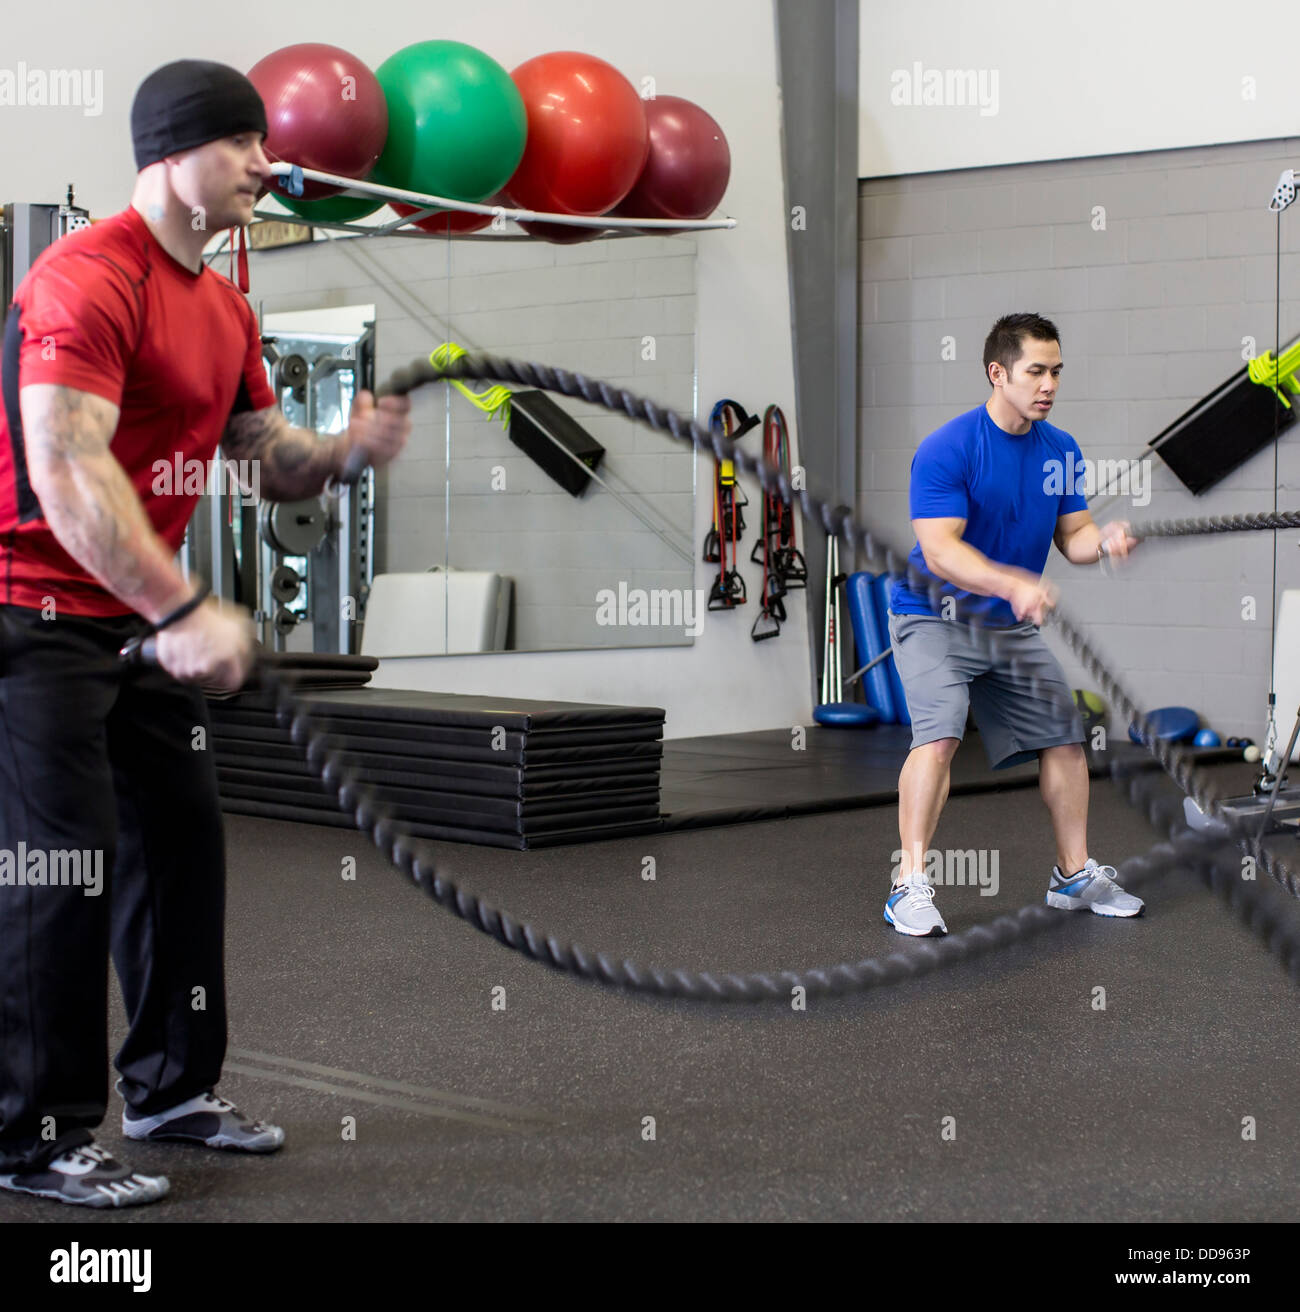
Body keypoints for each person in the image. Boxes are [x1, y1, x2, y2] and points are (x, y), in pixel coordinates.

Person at [0, 59, 410, 1206]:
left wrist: (341, 452)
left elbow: (262, 454)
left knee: (182, 849)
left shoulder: (225, 303)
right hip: (35, 612)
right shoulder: (82, 279)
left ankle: (174, 1087)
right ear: (172, 154)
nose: (266, 165)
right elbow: (67, 468)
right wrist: (183, 607)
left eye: (263, 144)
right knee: (60, 869)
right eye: (242, 144)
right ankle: (31, 1136)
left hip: (137, 622)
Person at [884, 312, 1142, 937]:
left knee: (1064, 737)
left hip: (1007, 626)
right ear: (998, 373)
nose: (1048, 383)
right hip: (934, 616)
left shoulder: (1062, 450)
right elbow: (942, 551)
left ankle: (1073, 875)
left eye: (1056, 371)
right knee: (940, 736)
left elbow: (1072, 536)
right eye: (1035, 371)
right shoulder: (949, 448)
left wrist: (1102, 541)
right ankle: (908, 884)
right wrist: (1013, 582)